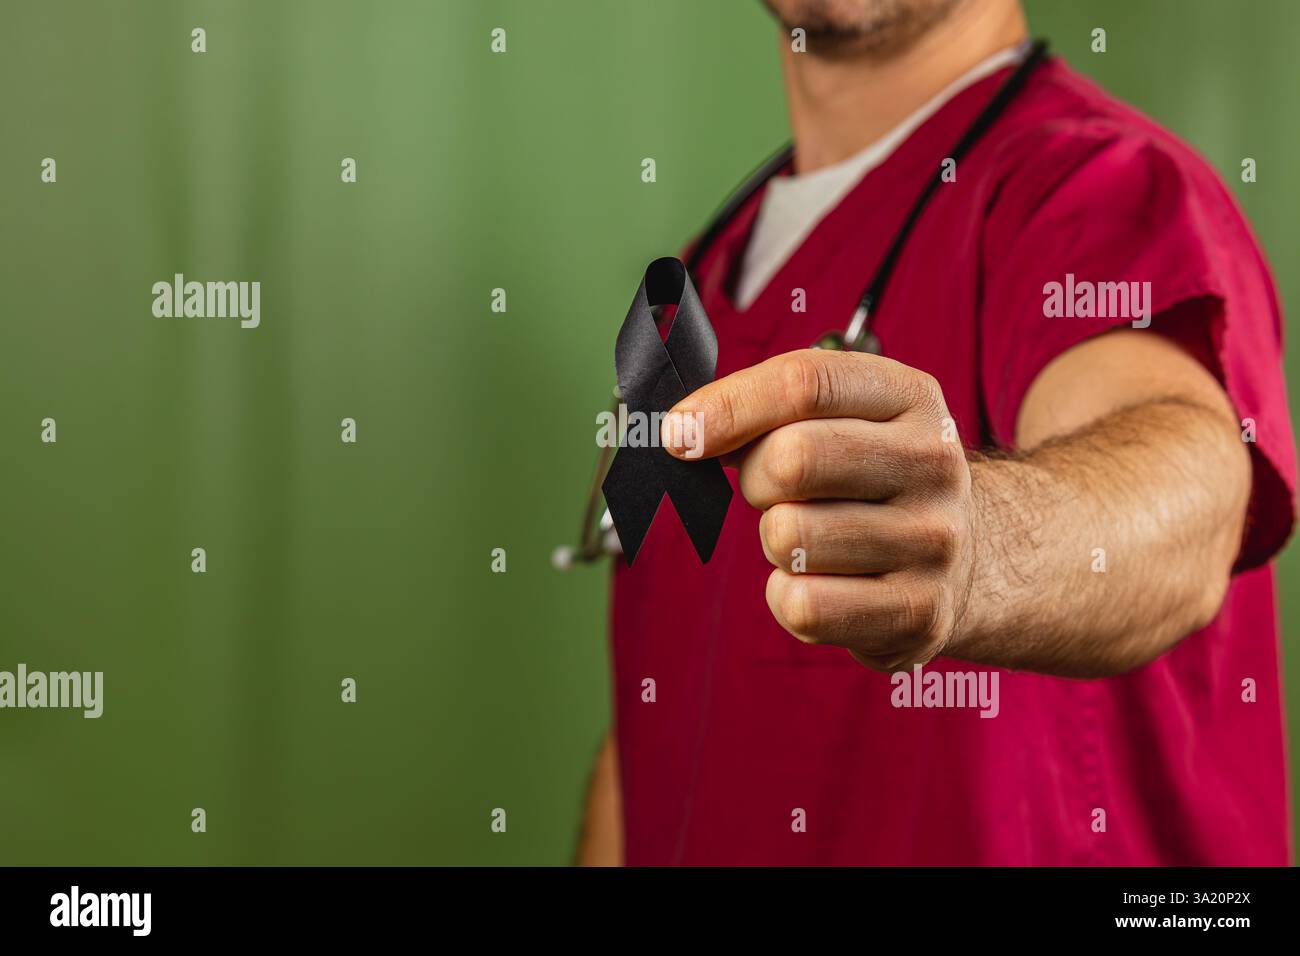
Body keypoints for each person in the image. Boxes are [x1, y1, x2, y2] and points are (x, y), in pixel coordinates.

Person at [577, 0, 1296, 865]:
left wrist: (981, 546)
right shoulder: (706, 274)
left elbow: (1189, 489)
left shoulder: (1100, 185)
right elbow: (662, 726)